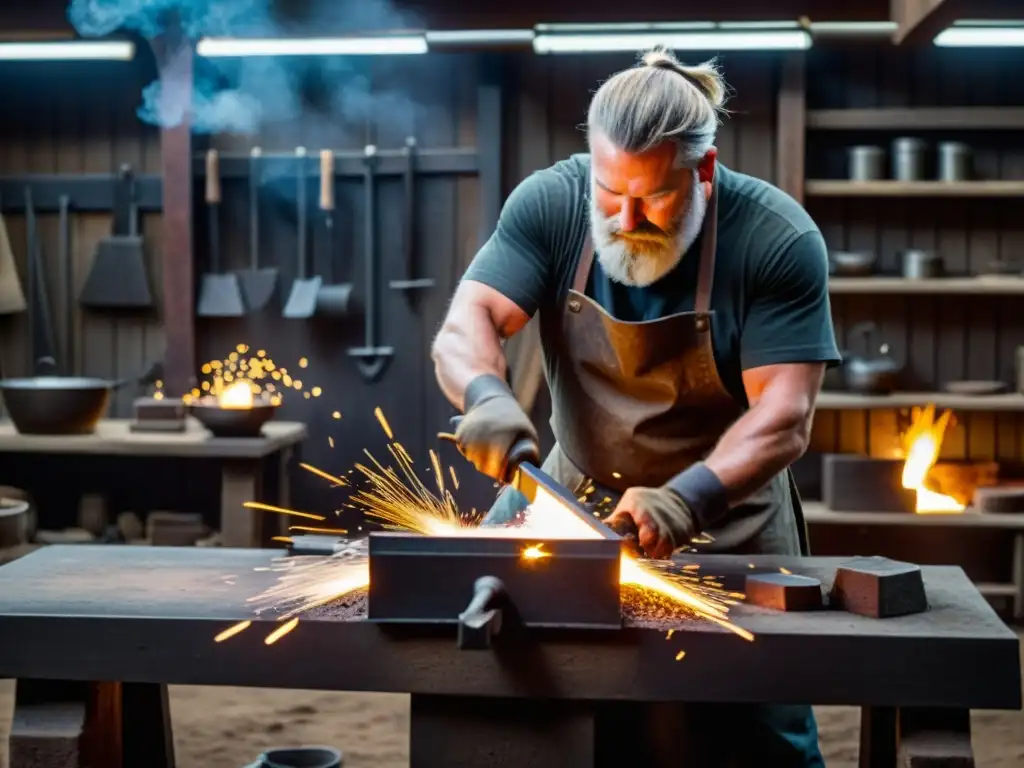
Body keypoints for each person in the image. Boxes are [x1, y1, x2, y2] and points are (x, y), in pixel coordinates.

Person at [431, 46, 839, 767]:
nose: (625, 219)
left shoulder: (774, 238)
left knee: (759, 732)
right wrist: (485, 395)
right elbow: (467, 325)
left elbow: (784, 416)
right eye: (609, 192)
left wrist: (688, 500)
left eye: (651, 198)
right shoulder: (552, 203)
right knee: (502, 682)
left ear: (703, 171)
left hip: (728, 514)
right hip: (573, 496)